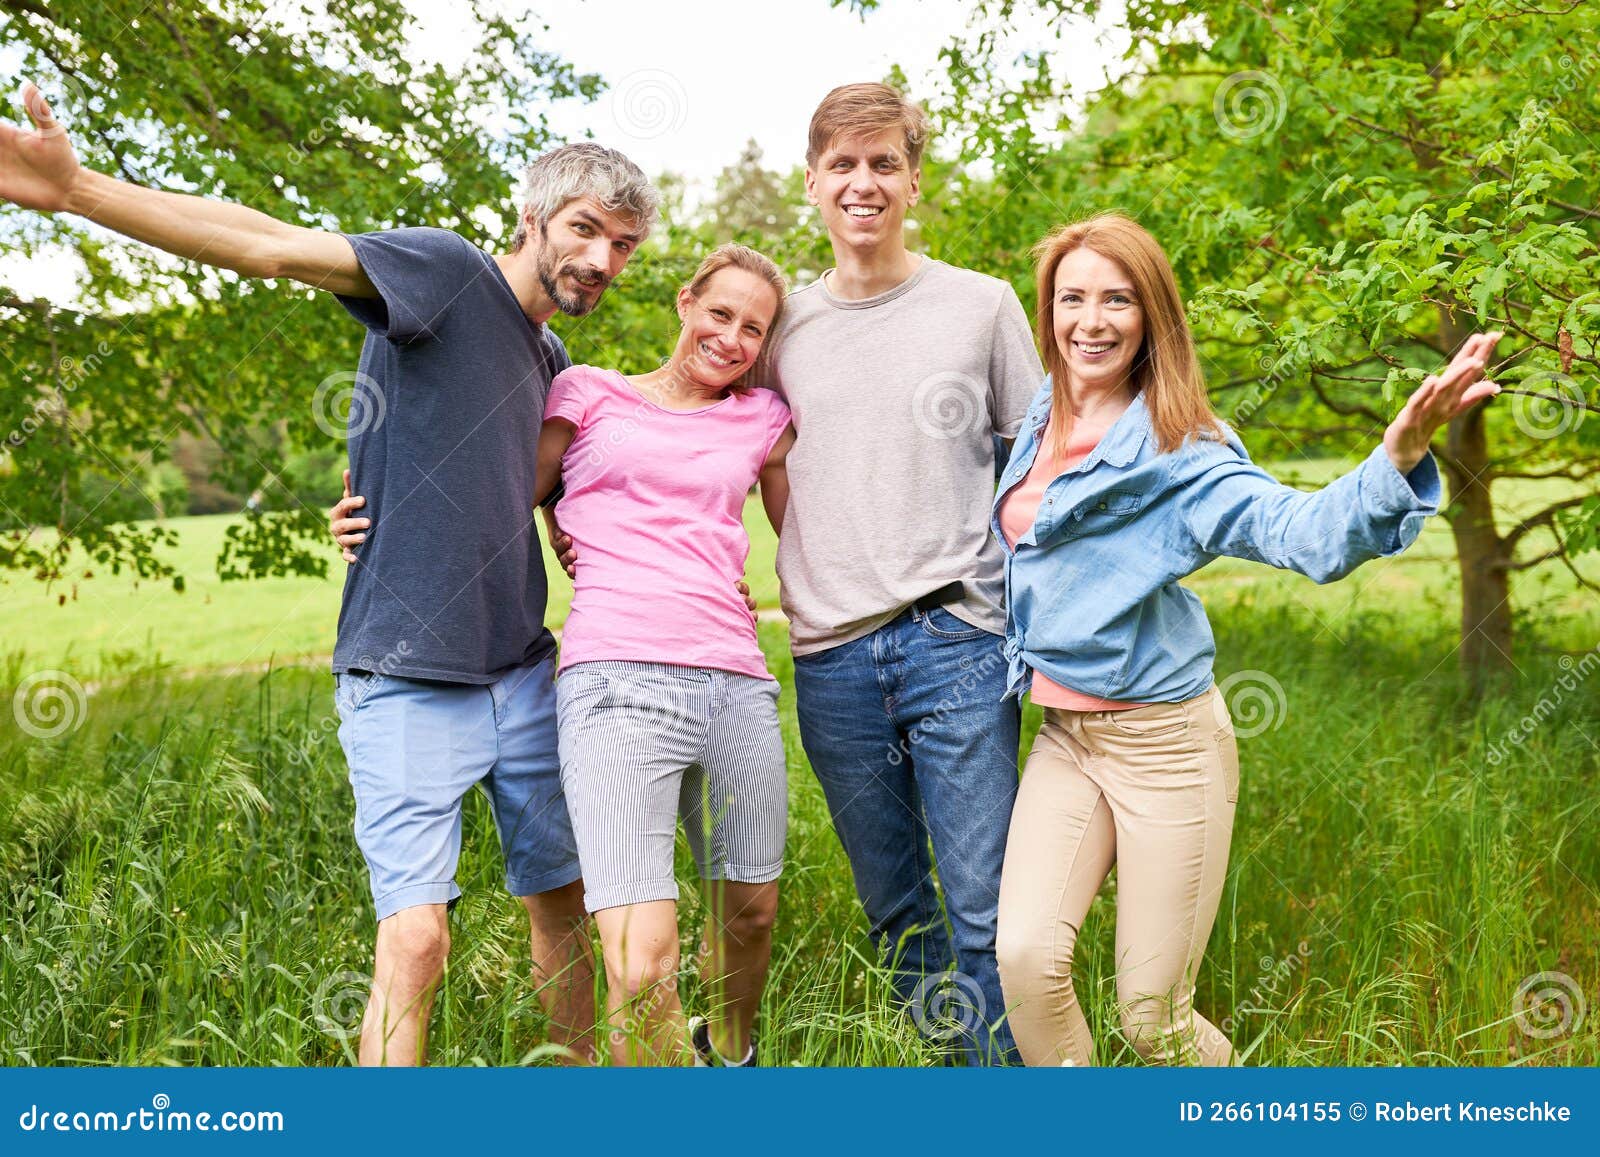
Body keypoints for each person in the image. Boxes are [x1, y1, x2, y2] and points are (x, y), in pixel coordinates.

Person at [0, 80, 660, 1065]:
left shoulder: (550, 354)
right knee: (418, 938)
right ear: (532, 218)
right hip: (405, 673)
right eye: (586, 230)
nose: (602, 259)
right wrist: (79, 190)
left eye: (624, 245)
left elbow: (524, 483)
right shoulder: (443, 272)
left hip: (523, 671)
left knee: (560, 908)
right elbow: (270, 244)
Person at [991, 212, 1501, 1066]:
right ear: (1047, 310)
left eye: (1118, 299)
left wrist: (1395, 457)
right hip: (1065, 737)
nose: (1091, 320)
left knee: (1153, 1019)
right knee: (1025, 965)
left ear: (1152, 316)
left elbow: (1302, 534)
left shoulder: (1183, 451)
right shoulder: (1044, 411)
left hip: (1165, 746)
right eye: (1072, 297)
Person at [759, 82, 1044, 1065]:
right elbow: (727, 449)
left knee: (984, 909)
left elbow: (1040, 465)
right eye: (842, 163)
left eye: (884, 162)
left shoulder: (981, 305)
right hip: (831, 657)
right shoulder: (780, 328)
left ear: (914, 181)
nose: (863, 182)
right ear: (811, 181)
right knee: (895, 911)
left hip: (958, 638)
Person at [536, 244, 795, 1066]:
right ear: (685, 301)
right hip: (614, 683)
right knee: (644, 961)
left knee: (749, 913)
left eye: (753, 329)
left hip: (734, 683)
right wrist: (376, 504)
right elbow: (506, 490)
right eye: (720, 313)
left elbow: (811, 533)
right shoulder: (588, 391)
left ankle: (729, 1056)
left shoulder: (764, 417)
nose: (732, 338)